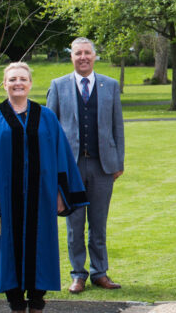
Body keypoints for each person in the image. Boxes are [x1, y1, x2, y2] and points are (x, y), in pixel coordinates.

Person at [0, 62, 87, 313]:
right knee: (6, 252)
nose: (17, 83)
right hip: (3, 201)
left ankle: (36, 308)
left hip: (40, 198)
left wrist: (61, 192)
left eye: (22, 79)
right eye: (12, 79)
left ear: (31, 84)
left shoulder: (46, 117)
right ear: (4, 84)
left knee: (40, 249)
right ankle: (16, 309)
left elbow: (61, 156)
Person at [46, 37, 125, 292]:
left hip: (103, 166)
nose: (83, 57)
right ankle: (77, 273)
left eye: (87, 53)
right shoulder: (58, 86)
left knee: (99, 223)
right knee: (74, 224)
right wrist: (55, 169)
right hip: (72, 167)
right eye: (78, 53)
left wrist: (118, 162)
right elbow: (50, 131)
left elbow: (117, 127)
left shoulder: (110, 86)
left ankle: (99, 272)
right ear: (71, 56)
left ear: (94, 56)